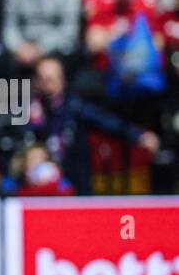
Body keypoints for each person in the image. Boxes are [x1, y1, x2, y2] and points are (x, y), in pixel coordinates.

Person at [23, 55, 159, 196]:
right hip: (35, 192)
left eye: (51, 79)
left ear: (62, 80)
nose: (47, 86)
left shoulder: (75, 107)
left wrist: (139, 135)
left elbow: (108, 122)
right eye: (42, 79)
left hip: (75, 190)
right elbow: (13, 138)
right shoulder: (28, 110)